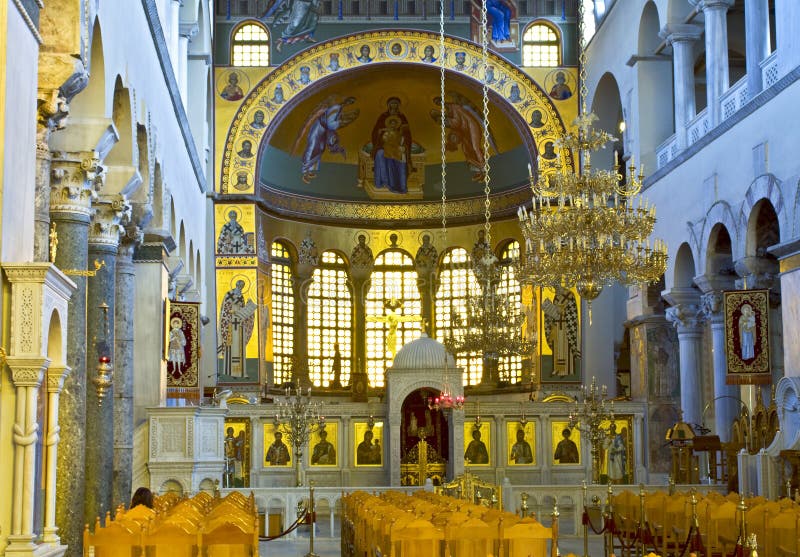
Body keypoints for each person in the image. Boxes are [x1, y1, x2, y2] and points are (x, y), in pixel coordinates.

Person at [294, 96, 359, 184]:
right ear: (346, 101)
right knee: (312, 148)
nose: (349, 103)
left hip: (323, 130)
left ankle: (310, 171)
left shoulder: (339, 109)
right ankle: (305, 173)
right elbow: (330, 124)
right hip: (318, 129)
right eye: (350, 101)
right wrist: (340, 122)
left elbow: (331, 124)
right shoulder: (336, 108)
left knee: (320, 149)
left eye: (351, 103)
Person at [432, 95, 497, 182]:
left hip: (471, 127)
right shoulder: (449, 110)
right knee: (466, 150)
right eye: (437, 103)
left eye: (439, 102)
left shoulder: (454, 107)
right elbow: (455, 127)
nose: (439, 104)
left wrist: (445, 121)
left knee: (475, 148)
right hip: (464, 131)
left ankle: (484, 171)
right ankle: (479, 171)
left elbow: (456, 122)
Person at [371, 97, 413, 194]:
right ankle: (382, 181)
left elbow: (407, 134)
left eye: (396, 104)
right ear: (388, 105)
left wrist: (401, 136)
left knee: (399, 158)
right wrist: (381, 132)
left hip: (398, 146)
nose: (394, 106)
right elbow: (377, 132)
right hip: (385, 145)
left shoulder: (402, 117)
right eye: (392, 103)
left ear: (398, 105)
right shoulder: (383, 116)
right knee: (380, 154)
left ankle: (399, 185)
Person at [218, 279, 257, 378]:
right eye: (240, 285)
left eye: (242, 286)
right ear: (236, 284)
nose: (241, 287)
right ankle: (230, 371)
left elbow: (244, 310)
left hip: (239, 326)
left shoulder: (241, 296)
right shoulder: (229, 294)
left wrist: (248, 307)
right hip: (230, 326)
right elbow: (225, 309)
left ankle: (241, 372)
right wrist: (233, 311)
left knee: (240, 348)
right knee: (230, 347)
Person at [542, 286, 580, 377]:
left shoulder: (569, 295)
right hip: (557, 326)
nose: (554, 288)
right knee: (557, 349)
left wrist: (561, 311)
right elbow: (554, 310)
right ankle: (557, 369)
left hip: (566, 327)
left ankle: (567, 370)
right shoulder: (556, 296)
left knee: (566, 348)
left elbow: (572, 312)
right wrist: (549, 312)